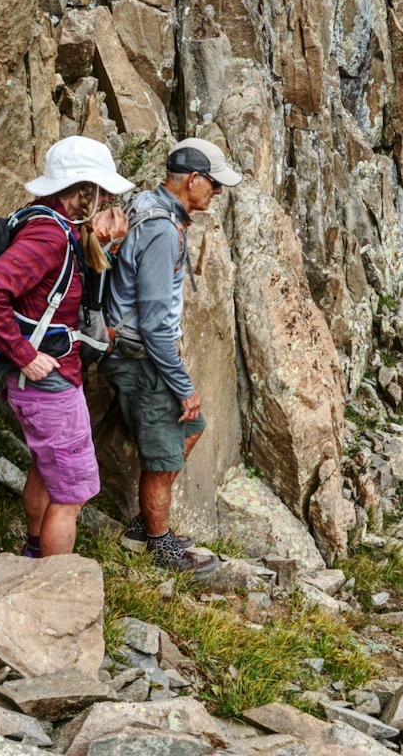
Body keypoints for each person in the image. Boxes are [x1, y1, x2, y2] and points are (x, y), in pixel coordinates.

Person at [0, 136, 133, 557]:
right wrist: (25, 355)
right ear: (84, 190)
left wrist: (102, 241)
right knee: (73, 494)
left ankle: (33, 552)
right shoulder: (48, 235)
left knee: (47, 469)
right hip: (49, 385)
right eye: (102, 190)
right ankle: (54, 583)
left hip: (43, 382)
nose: (109, 198)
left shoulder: (49, 220)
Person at [104, 137, 242, 574]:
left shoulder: (147, 205)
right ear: (194, 179)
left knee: (190, 430)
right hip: (140, 358)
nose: (217, 192)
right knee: (164, 457)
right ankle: (158, 546)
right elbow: (153, 323)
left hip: (135, 352)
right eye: (214, 184)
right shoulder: (163, 231)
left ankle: (145, 528)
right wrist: (184, 388)